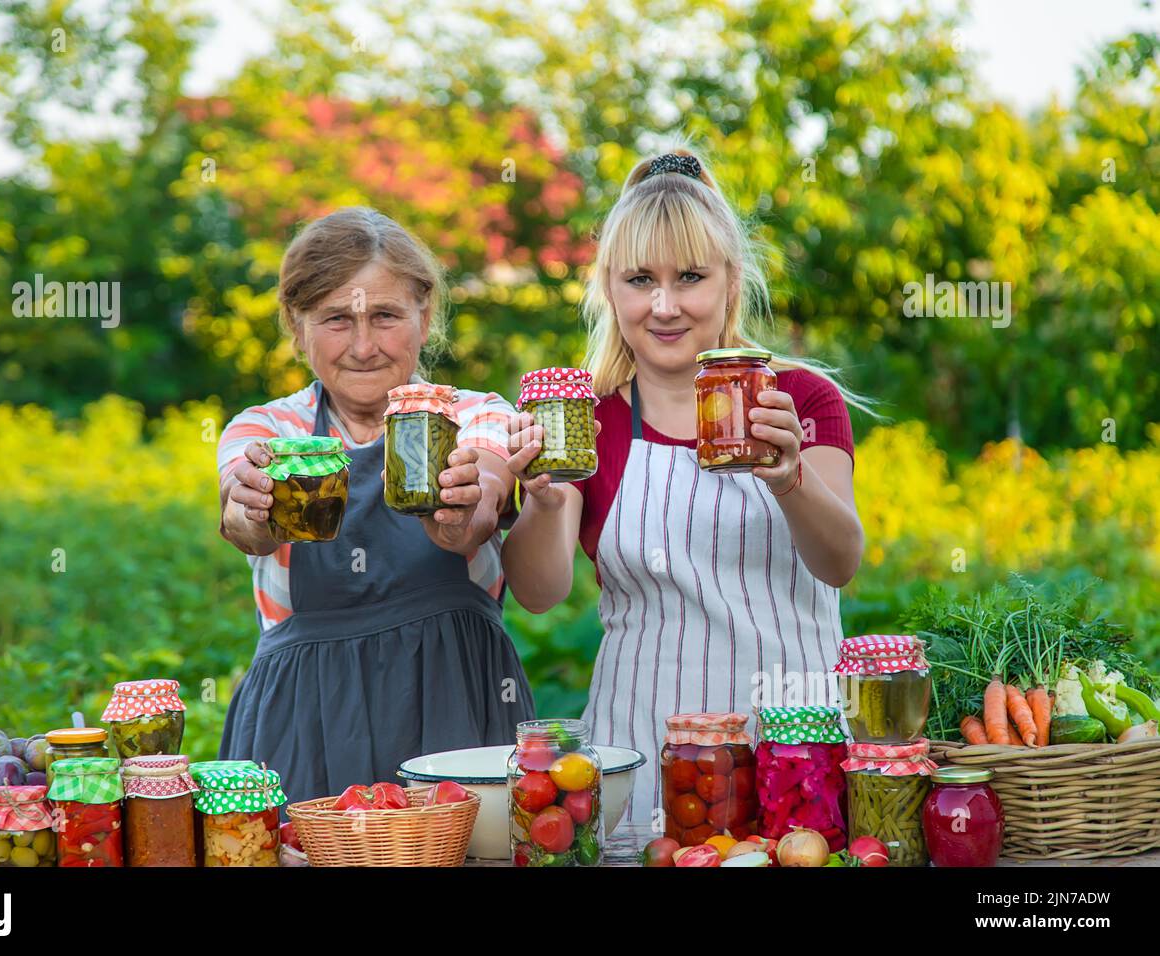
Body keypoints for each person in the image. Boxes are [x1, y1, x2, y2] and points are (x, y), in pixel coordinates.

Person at [500, 148, 871, 828]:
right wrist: (546, 501)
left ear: (732, 281)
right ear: (610, 288)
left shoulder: (800, 399)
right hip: (639, 754)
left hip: (791, 751)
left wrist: (790, 481)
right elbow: (540, 591)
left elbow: (839, 560)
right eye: (640, 279)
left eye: (690, 277)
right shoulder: (592, 420)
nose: (664, 306)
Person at [215, 206, 534, 802]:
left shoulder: (476, 415)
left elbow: (481, 504)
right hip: (301, 719)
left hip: (456, 704)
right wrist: (249, 508)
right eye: (336, 318)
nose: (363, 346)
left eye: (385, 316)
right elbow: (243, 522)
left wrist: (466, 508)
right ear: (297, 324)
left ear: (425, 314)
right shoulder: (265, 429)